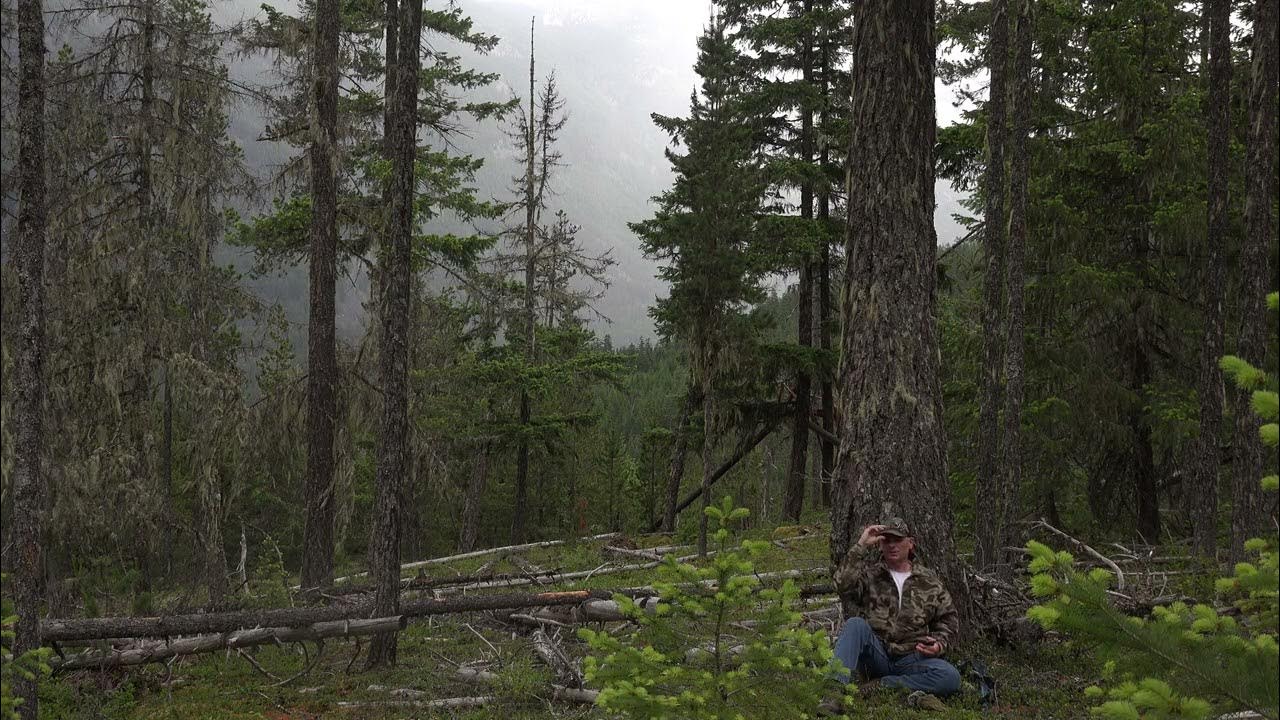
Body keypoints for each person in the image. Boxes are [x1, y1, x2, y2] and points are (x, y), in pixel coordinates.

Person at [825, 518, 961, 711]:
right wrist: (861, 545)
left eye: (897, 540)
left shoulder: (929, 581)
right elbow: (841, 585)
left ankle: (882, 685)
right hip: (877, 653)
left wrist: (939, 644)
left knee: (950, 677)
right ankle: (833, 694)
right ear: (880, 545)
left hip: (913, 657)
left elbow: (949, 619)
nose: (892, 545)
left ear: (910, 543)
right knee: (855, 624)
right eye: (886, 541)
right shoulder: (870, 575)